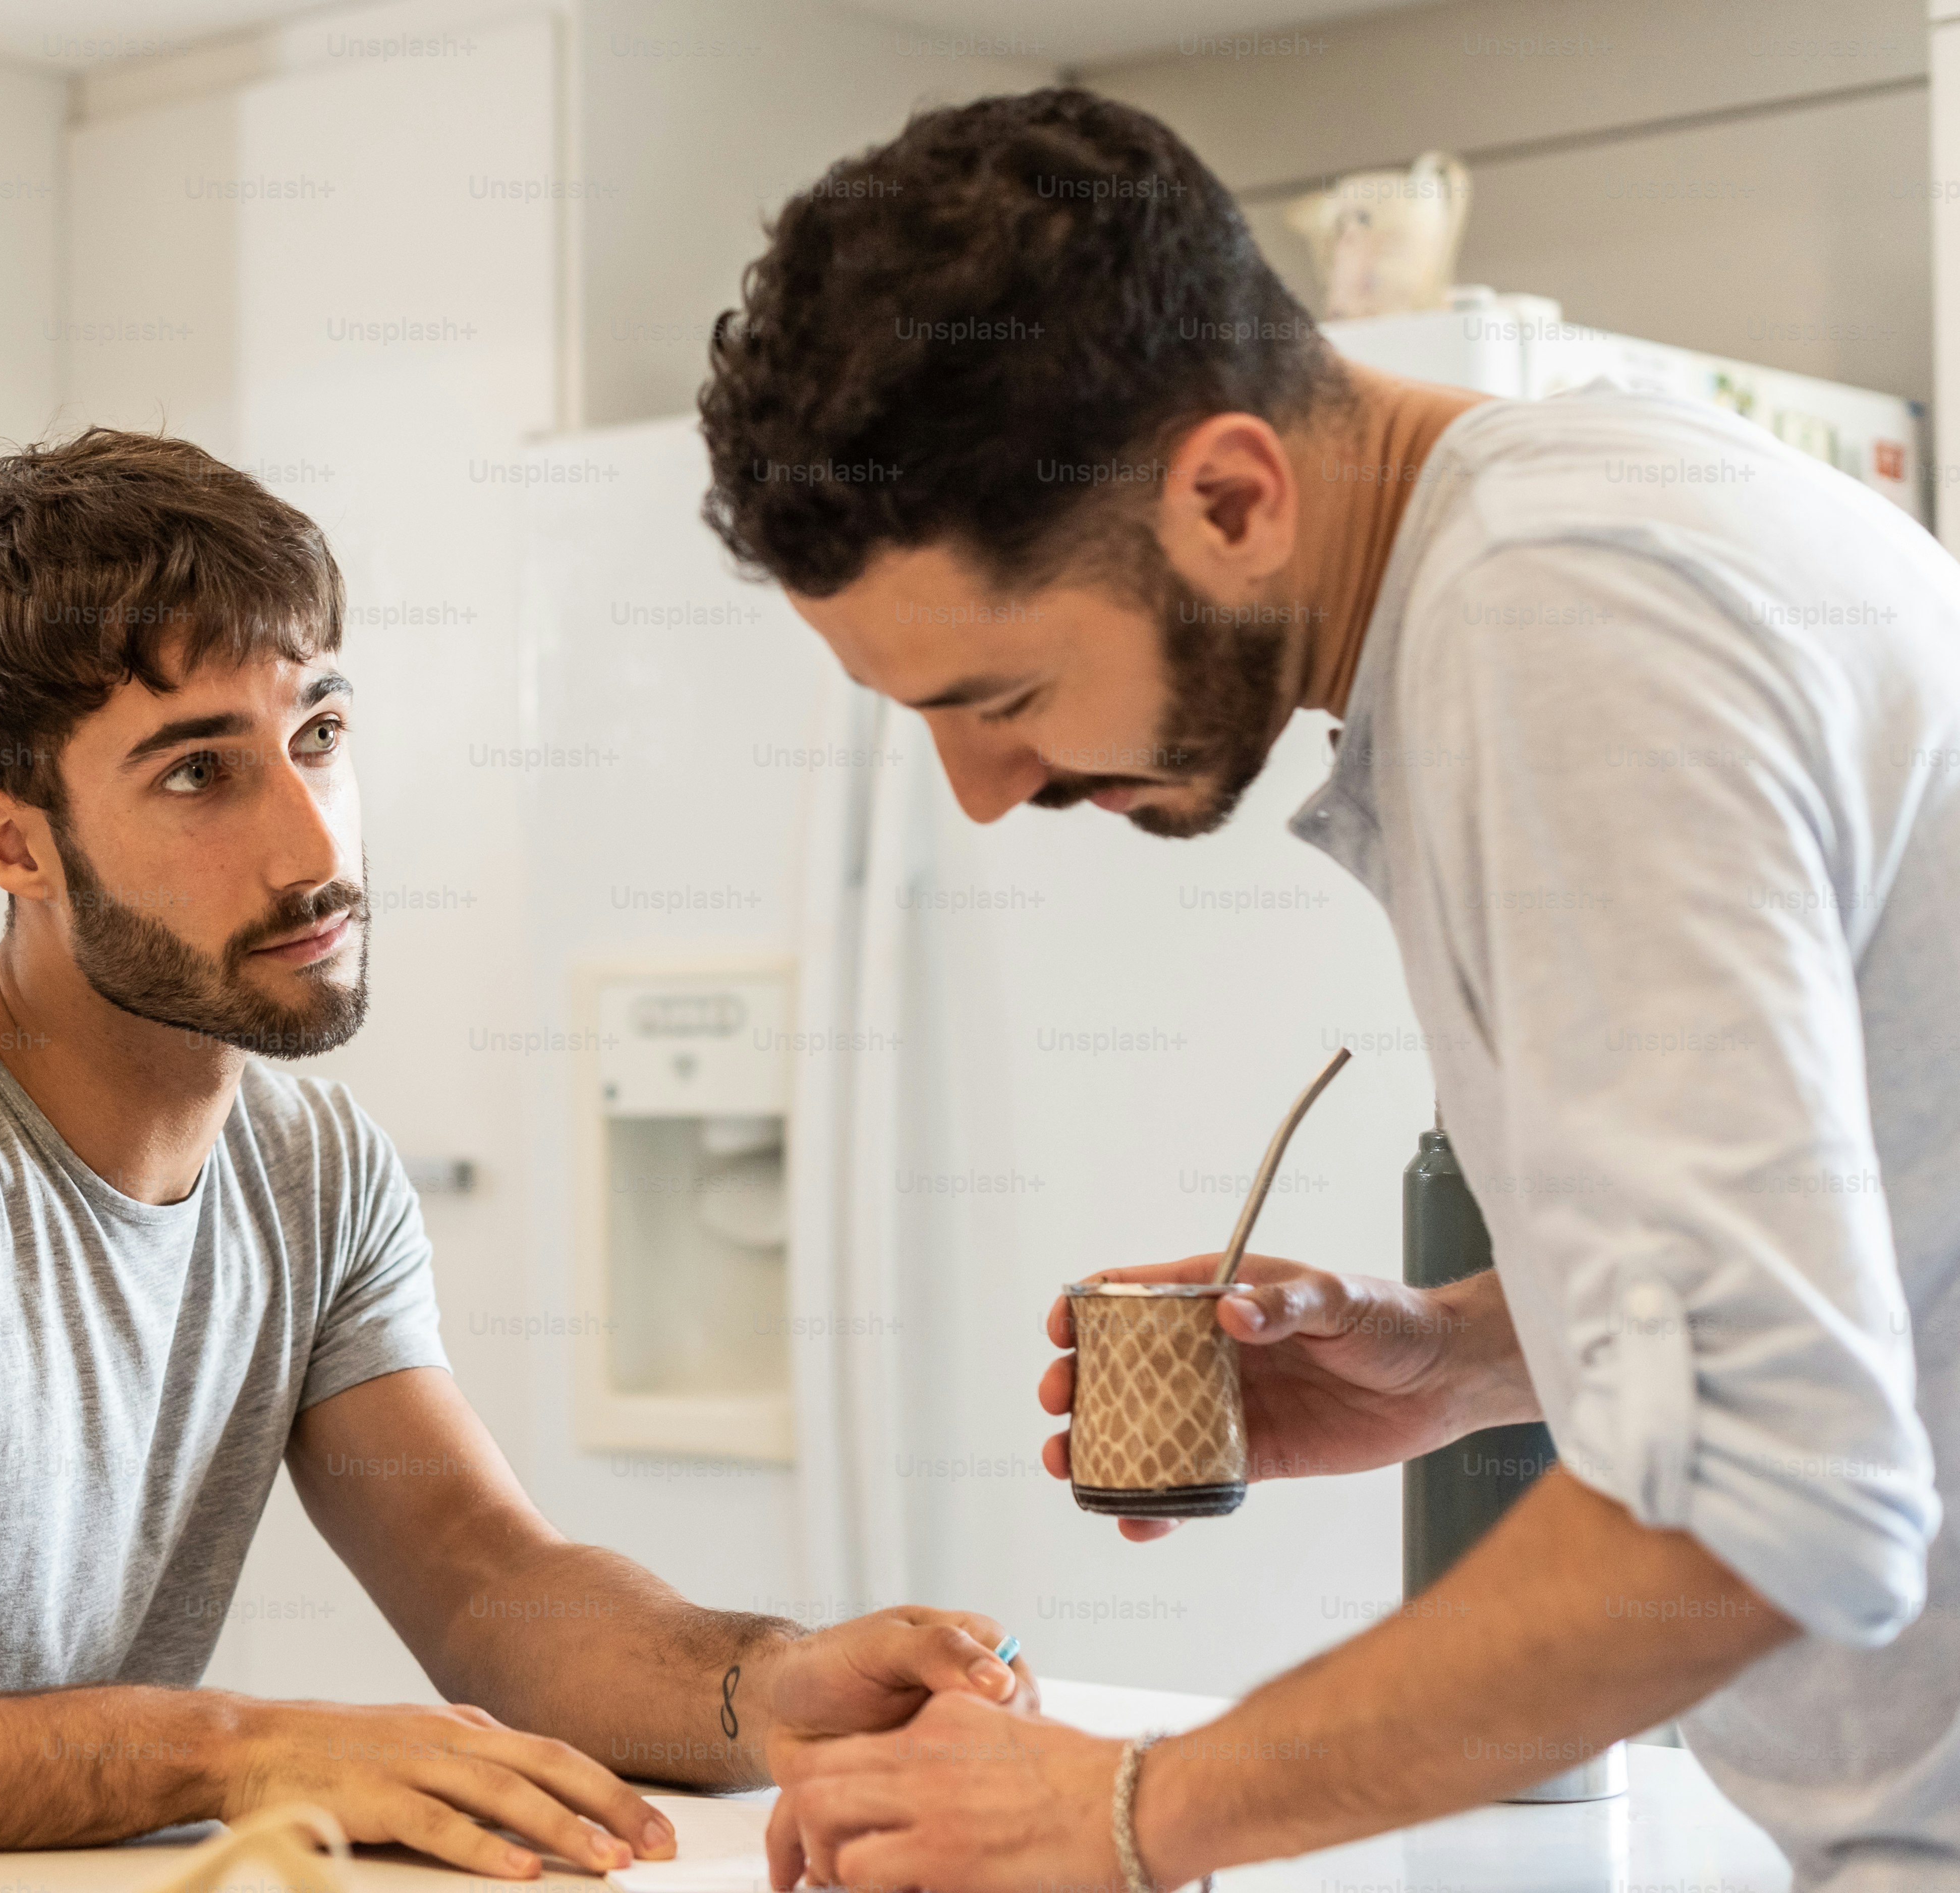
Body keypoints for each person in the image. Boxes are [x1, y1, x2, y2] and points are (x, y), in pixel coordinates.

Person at [697, 87, 1958, 1893]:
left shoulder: (1558, 633)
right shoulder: (1586, 535)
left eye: (998, 696)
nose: (985, 791)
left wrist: (1126, 1808)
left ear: (1230, 495)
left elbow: (1774, 1502)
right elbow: (1888, 1236)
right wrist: (1460, 1361)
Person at [0, 431, 1027, 1892]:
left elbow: (490, 1584)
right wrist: (228, 1750)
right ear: (15, 846)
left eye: (321, 737)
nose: (314, 849)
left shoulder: (310, 1169)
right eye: (195, 774)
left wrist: (767, 1685)